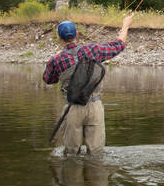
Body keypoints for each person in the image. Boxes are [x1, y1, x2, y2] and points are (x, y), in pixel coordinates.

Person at [42, 15, 132, 156]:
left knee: (71, 155)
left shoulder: (57, 59)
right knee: (96, 154)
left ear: (59, 37)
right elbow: (119, 45)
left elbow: (48, 79)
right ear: (77, 34)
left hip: (72, 108)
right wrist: (125, 25)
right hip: (95, 107)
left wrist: (55, 58)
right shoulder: (93, 49)